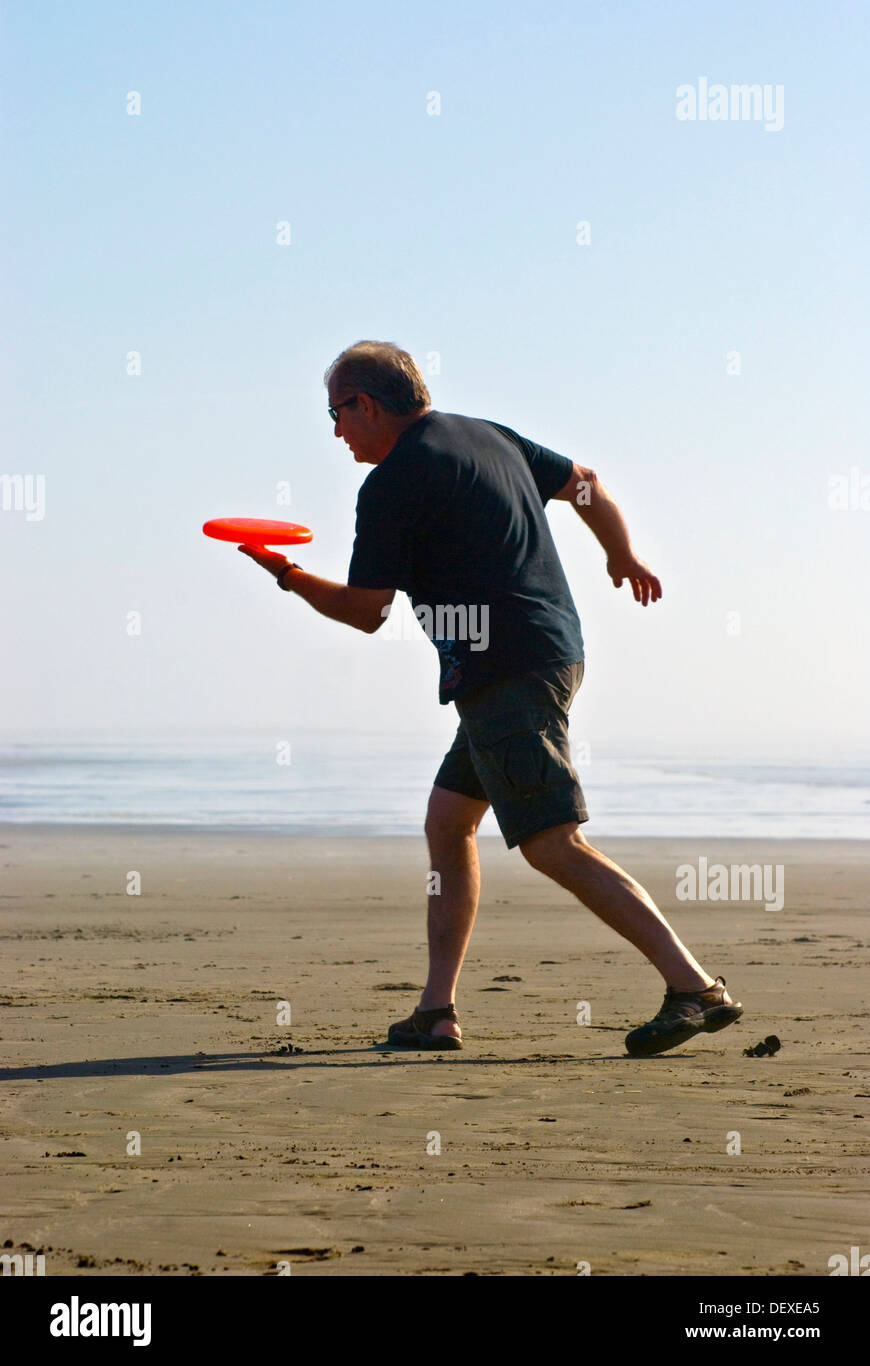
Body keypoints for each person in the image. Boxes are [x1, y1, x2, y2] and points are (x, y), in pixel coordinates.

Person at [239, 340, 743, 1058]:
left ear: (366, 404)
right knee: (449, 824)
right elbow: (586, 483)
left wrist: (284, 573)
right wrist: (619, 553)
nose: (335, 432)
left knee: (551, 842)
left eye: (336, 414)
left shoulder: (392, 484)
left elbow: (364, 610)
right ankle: (436, 1011)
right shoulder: (490, 436)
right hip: (539, 655)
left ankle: (694, 987)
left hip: (507, 670)